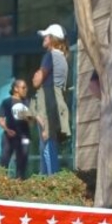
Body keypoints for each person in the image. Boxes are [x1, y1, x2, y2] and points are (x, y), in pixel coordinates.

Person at [30, 23, 71, 174]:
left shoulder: (50, 55)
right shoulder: (62, 57)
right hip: (55, 102)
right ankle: (47, 181)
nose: (44, 37)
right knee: (47, 143)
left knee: (47, 144)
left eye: (46, 35)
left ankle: (51, 181)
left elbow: (36, 81)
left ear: (53, 39)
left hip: (46, 102)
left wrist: (37, 75)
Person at [0, 79, 32, 180]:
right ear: (16, 89)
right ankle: (1, 181)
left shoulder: (27, 102)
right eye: (23, 88)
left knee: (22, 160)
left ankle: (20, 182)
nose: (26, 90)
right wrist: (7, 130)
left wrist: (28, 118)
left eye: (26, 88)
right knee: (4, 159)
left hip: (24, 136)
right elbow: (0, 120)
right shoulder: (6, 102)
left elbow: (32, 122)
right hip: (9, 136)